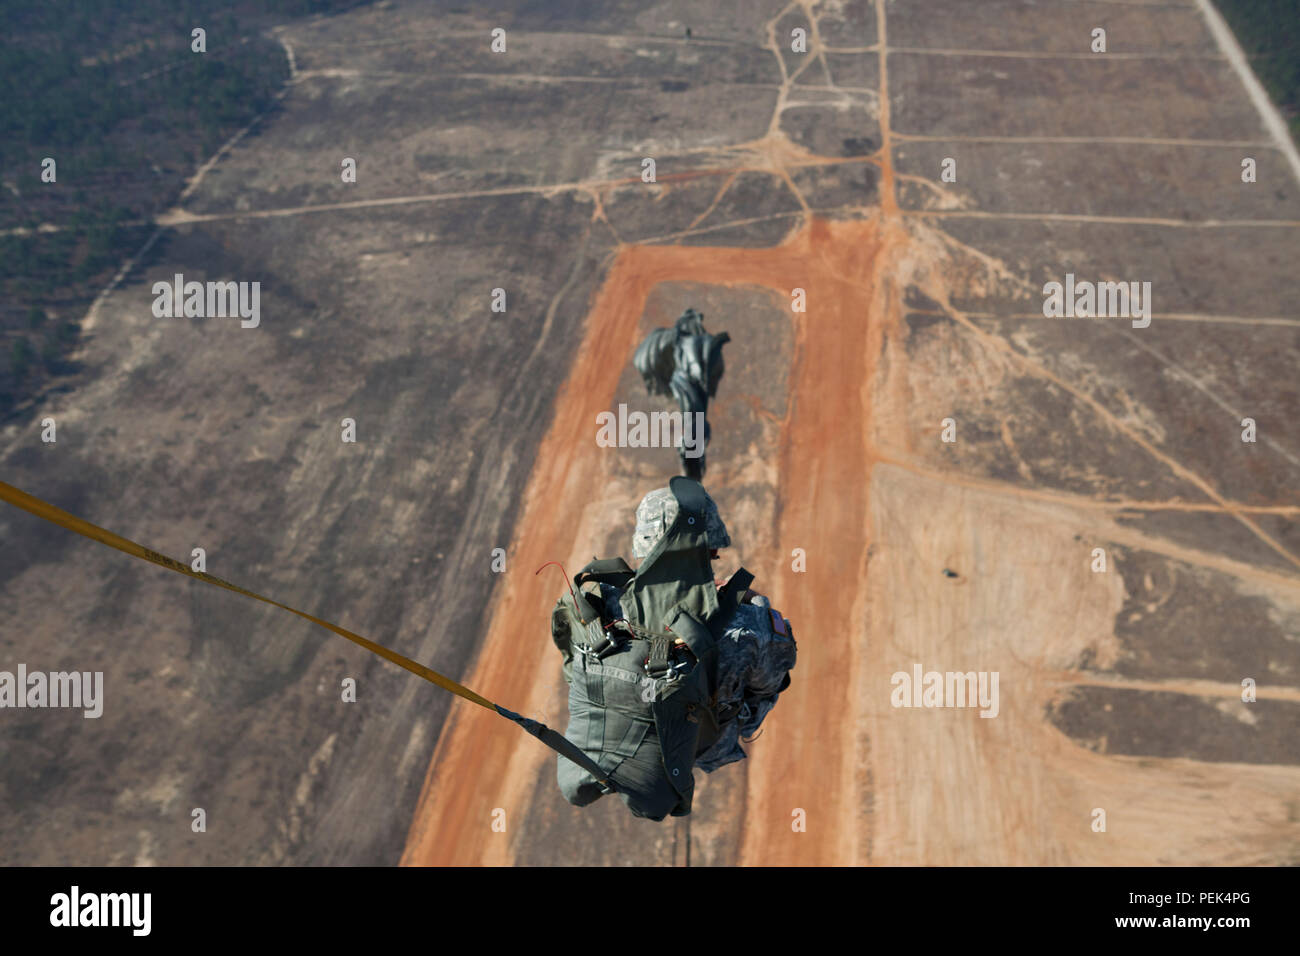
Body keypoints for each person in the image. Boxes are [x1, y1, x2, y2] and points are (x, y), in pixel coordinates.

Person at [549, 478, 796, 820]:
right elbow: (772, 680)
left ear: (642, 550)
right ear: (711, 552)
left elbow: (569, 667)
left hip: (608, 736)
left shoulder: (594, 605)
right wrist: (755, 605)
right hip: (705, 746)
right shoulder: (750, 627)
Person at [632, 309, 730, 480]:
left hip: (689, 387)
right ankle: (691, 465)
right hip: (692, 389)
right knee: (694, 424)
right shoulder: (690, 342)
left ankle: (692, 465)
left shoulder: (681, 341)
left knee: (694, 424)